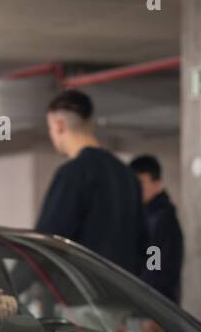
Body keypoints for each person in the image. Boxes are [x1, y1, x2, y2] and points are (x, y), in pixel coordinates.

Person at [35, 89, 147, 274]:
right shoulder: (127, 174)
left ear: (59, 126)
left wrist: (14, 285)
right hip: (121, 287)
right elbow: (143, 242)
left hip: (81, 288)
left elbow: (47, 244)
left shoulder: (72, 174)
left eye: (50, 128)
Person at [129, 154, 184, 303]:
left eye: (141, 183)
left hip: (154, 303)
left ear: (157, 185)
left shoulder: (161, 220)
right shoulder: (143, 216)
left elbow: (154, 267)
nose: (135, 189)